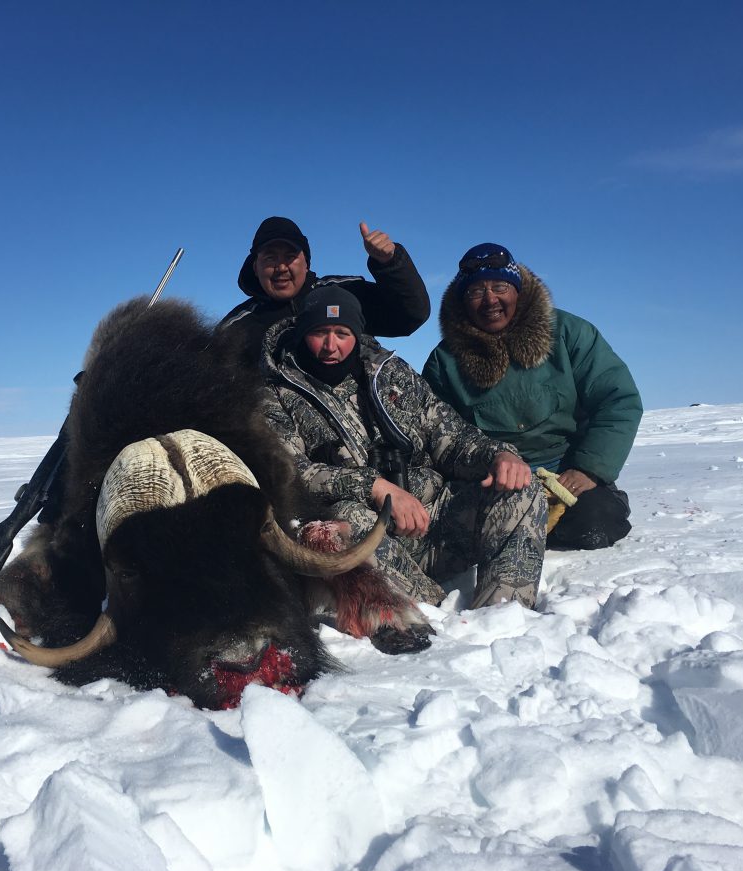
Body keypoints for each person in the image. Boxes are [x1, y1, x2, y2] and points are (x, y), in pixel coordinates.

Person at [261, 284, 547, 613]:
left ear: (357, 333)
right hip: (363, 530)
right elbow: (288, 470)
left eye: (342, 332)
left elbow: (452, 437)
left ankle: (504, 618)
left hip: (430, 519)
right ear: (302, 333)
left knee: (521, 490)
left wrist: (499, 455)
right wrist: (375, 487)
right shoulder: (274, 393)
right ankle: (434, 616)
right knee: (338, 524)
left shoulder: (392, 374)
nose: (330, 345)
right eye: (319, 332)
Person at [422, 243, 642, 551]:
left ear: (519, 291)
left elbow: (618, 400)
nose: (490, 300)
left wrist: (588, 469)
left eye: (500, 287)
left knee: (597, 521)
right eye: (475, 292)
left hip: (566, 473)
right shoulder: (444, 361)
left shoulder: (569, 333)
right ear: (462, 302)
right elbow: (436, 434)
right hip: (494, 478)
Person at [218, 216, 430, 366]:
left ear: (306, 264)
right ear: (255, 267)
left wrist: (389, 263)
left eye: (290, 256)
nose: (281, 267)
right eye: (270, 258)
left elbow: (410, 315)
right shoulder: (235, 328)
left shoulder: (346, 294)